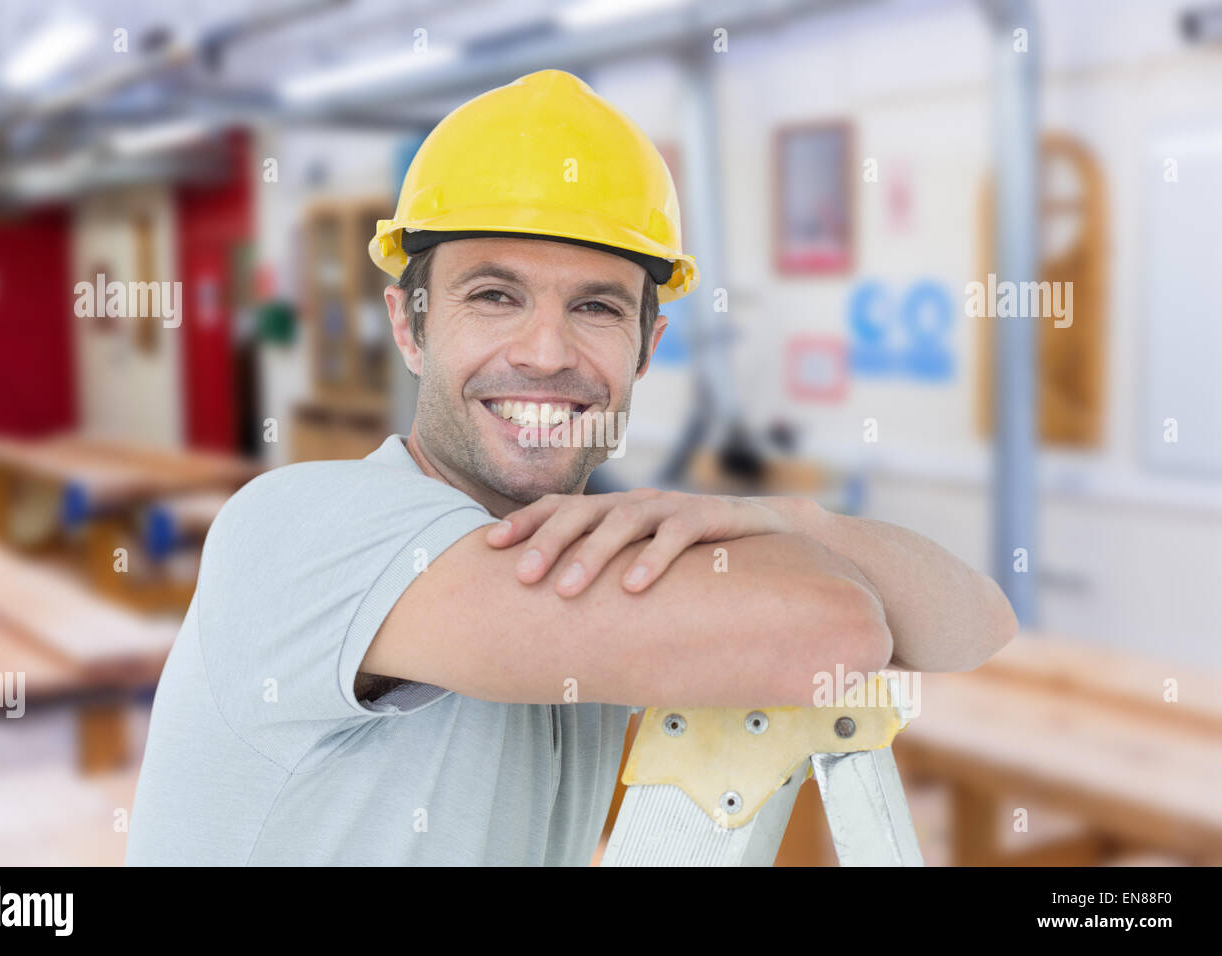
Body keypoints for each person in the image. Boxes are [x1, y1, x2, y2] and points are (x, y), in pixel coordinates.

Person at [126, 69, 1016, 866]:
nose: (546, 352)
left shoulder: (590, 555)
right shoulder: (302, 525)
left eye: (595, 306)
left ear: (646, 347)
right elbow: (831, 629)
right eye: (494, 295)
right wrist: (795, 547)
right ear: (409, 324)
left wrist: (794, 520)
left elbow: (978, 623)